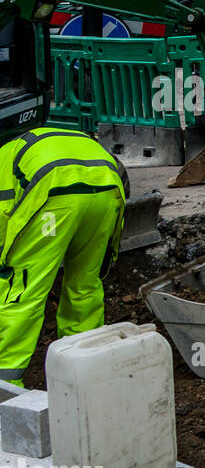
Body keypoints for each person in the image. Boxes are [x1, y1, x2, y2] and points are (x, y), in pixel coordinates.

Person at [0, 120, 127, 387]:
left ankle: (6, 384)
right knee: (86, 283)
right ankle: (85, 370)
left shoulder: (4, 158)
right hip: (108, 189)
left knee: (23, 289)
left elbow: (4, 218)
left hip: (54, 194)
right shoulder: (41, 140)